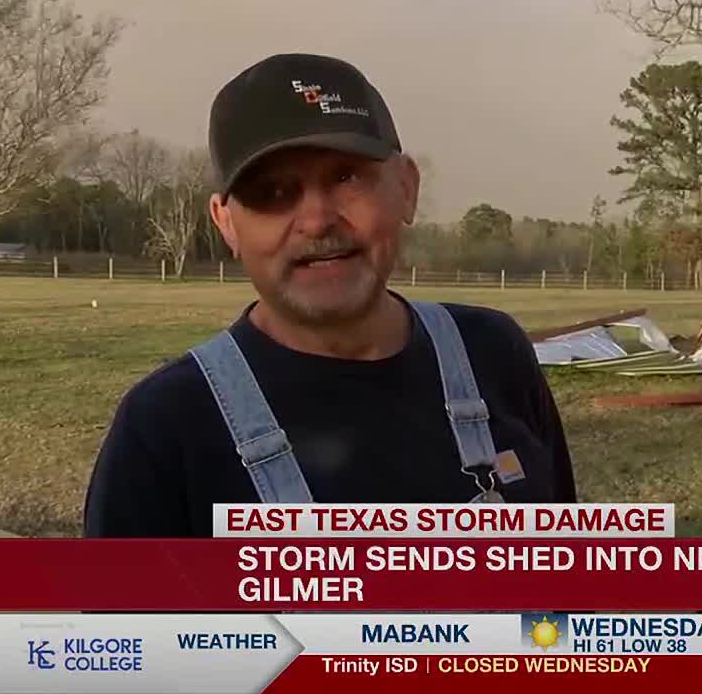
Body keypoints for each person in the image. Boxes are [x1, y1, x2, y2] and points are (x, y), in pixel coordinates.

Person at [85, 53, 576, 537]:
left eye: (345, 177)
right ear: (227, 223)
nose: (317, 220)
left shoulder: (493, 352)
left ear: (406, 188)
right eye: (273, 193)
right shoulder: (165, 430)